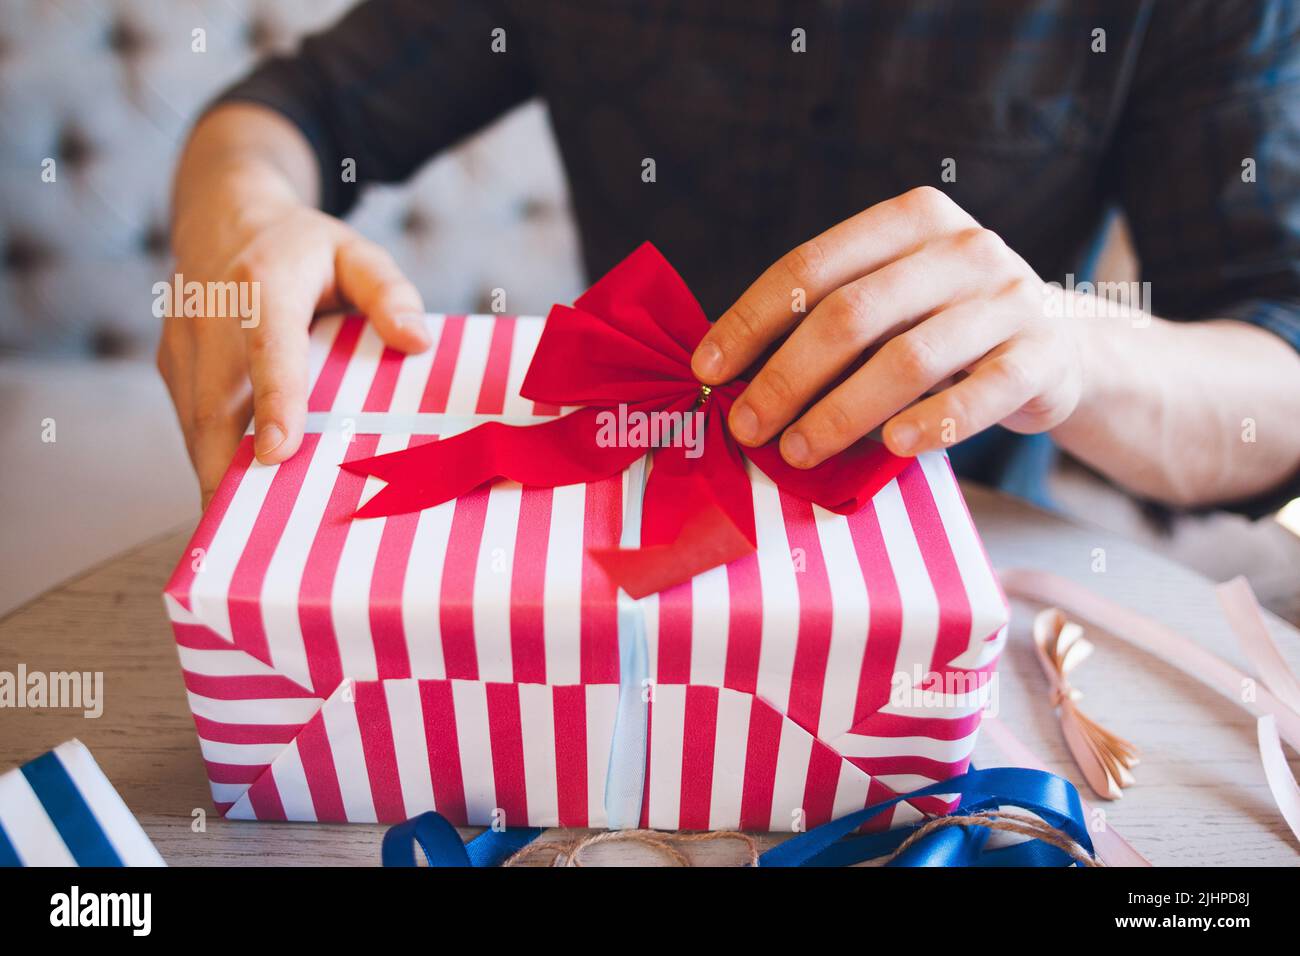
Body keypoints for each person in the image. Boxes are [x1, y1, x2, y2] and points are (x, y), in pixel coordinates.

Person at [162, 1, 1300, 520]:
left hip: (964, 569)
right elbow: (289, 110)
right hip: (588, 519)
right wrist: (251, 217)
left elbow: (1281, 367)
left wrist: (1069, 345)